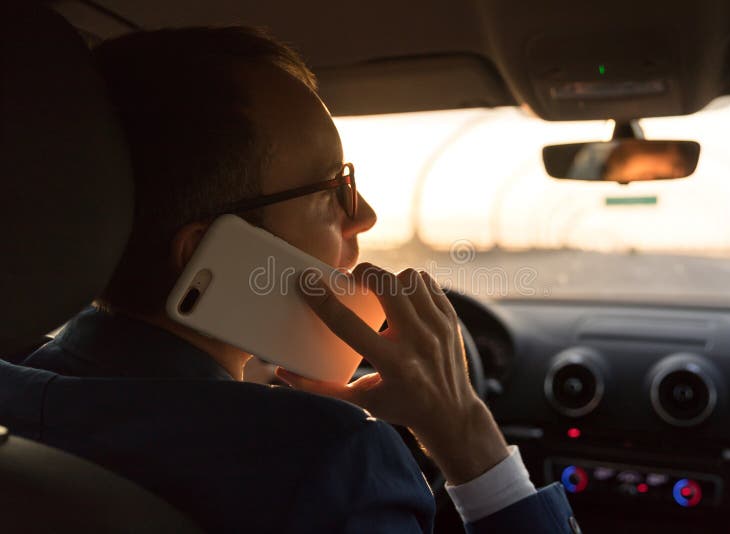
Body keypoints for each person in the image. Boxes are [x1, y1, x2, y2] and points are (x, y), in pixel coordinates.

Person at [23, 27, 578, 533]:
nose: (363, 215)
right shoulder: (330, 462)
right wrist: (464, 430)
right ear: (205, 255)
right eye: (331, 188)